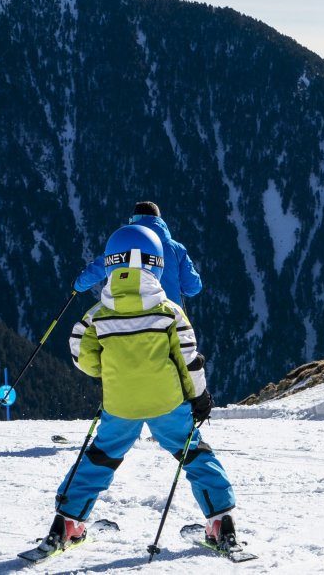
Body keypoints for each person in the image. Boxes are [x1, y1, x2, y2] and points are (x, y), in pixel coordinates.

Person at [35, 224, 239, 553]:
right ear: (157, 264)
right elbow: (190, 361)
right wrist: (200, 399)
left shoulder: (98, 314)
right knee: (194, 453)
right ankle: (221, 524)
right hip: (168, 403)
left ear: (111, 263)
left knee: (99, 457)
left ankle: (67, 525)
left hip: (120, 405)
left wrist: (112, 370)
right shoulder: (170, 312)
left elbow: (80, 353)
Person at [73, 201, 202, 305]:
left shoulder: (123, 243)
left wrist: (78, 286)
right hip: (169, 319)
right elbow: (193, 288)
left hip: (130, 317)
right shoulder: (177, 249)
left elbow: (99, 268)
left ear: (135, 219)